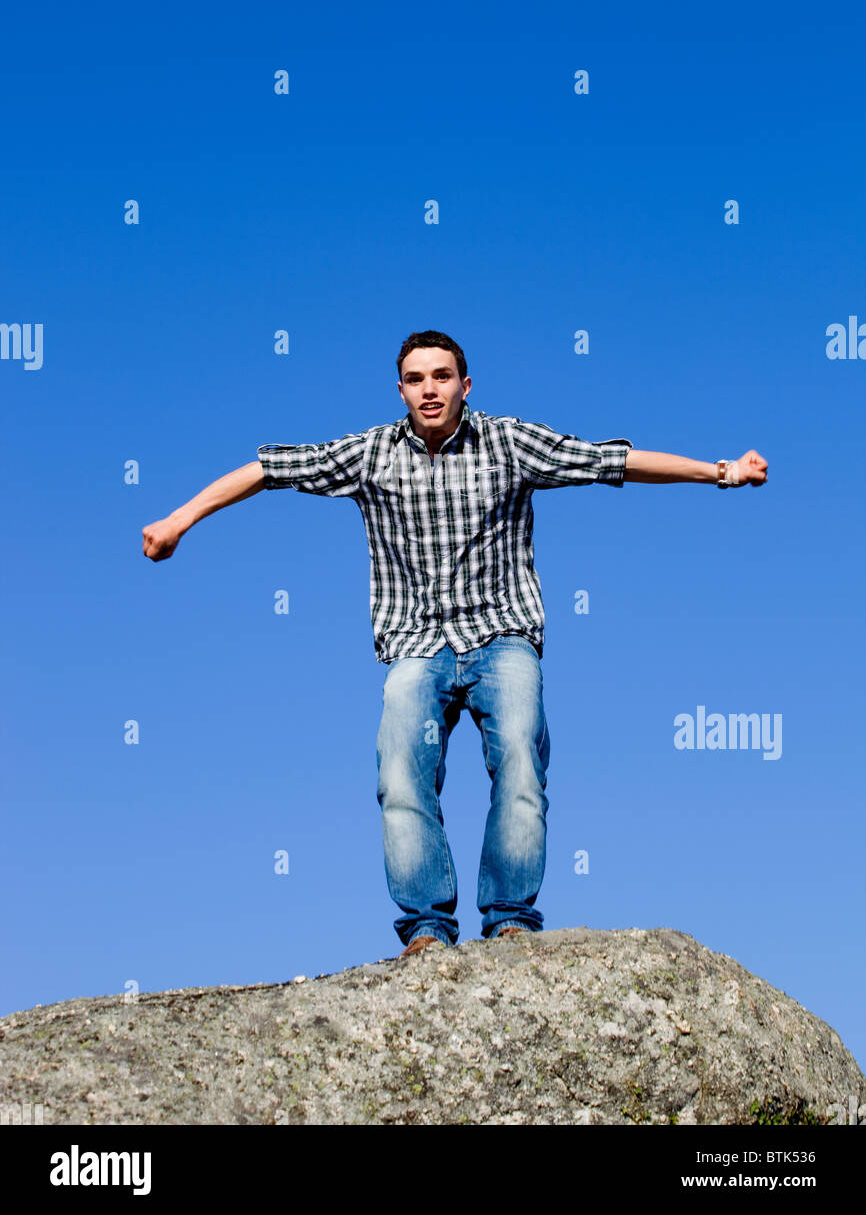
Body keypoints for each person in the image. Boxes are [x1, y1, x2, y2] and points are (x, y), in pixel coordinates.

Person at [142, 329, 768, 958]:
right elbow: (269, 470)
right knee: (400, 772)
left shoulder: (509, 443)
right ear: (401, 390)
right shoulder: (371, 454)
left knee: (521, 757)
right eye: (416, 380)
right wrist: (178, 520)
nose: (429, 390)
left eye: (442, 377)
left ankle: (510, 919)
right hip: (415, 643)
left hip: (502, 636)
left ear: (465, 385)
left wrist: (720, 472)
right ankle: (426, 929)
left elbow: (611, 461)